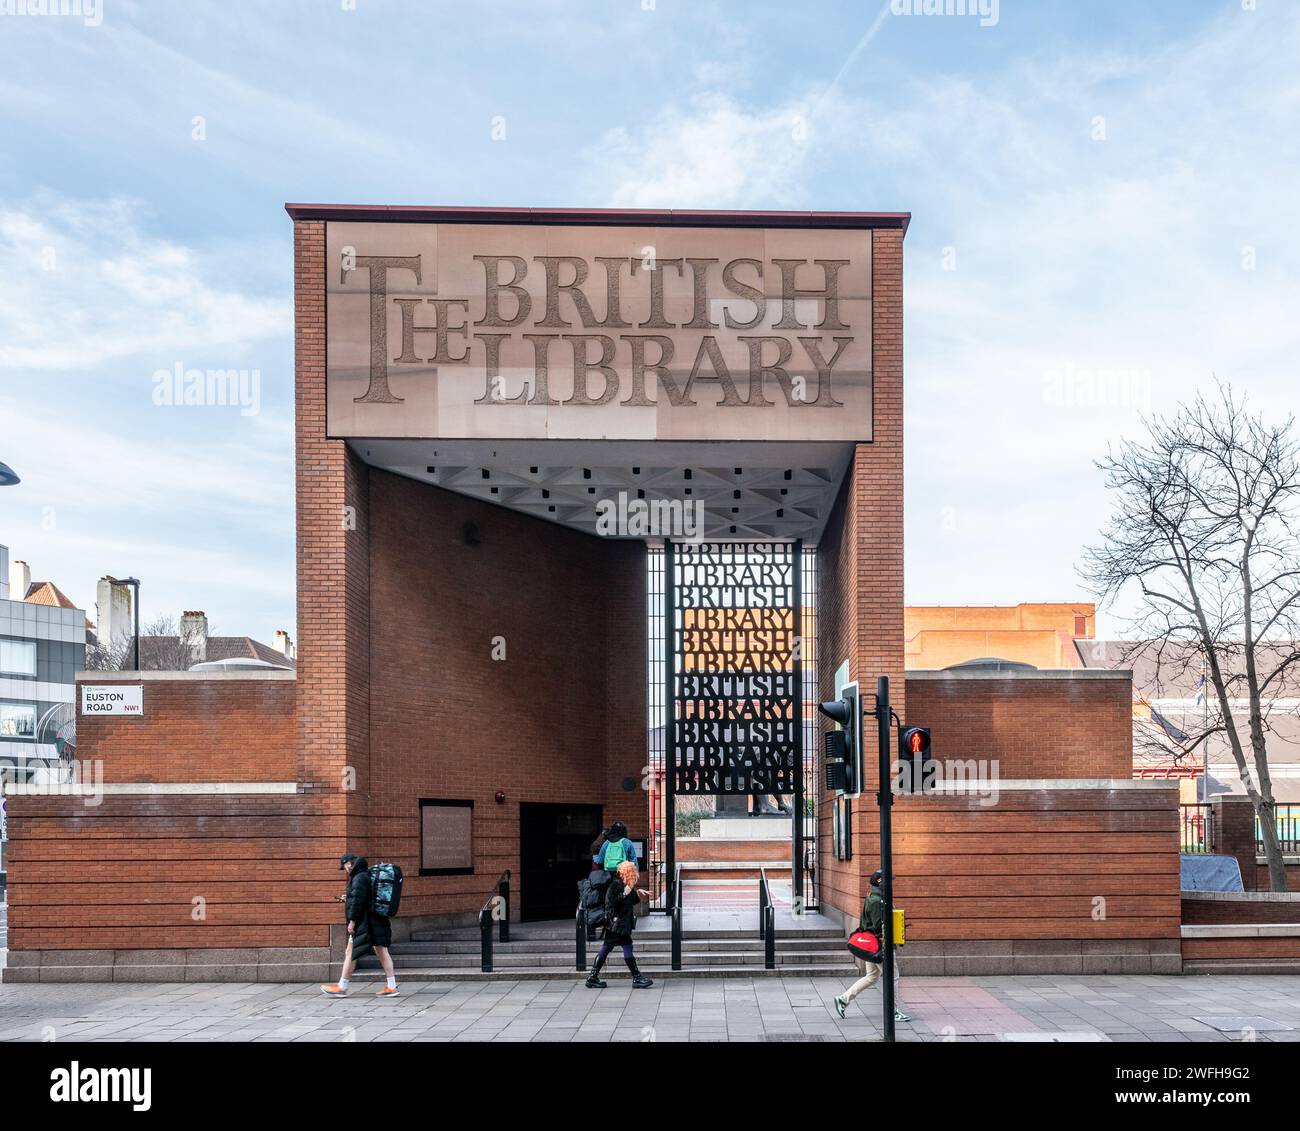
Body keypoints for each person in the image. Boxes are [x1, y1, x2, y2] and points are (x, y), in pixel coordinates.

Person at [834, 869, 911, 1022]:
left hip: (872, 945)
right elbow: (878, 926)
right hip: (880, 946)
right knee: (892, 977)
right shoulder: (877, 901)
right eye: (889, 881)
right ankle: (893, 1011)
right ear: (881, 883)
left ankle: (843, 998)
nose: (891, 884)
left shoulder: (873, 897)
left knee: (872, 976)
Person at [321, 853, 399, 998]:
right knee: (380, 952)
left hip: (366, 922)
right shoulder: (365, 874)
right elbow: (361, 897)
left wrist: (352, 921)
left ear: (349, 864)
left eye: (344, 866)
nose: (345, 869)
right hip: (376, 920)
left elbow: (358, 901)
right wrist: (349, 898)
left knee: (351, 952)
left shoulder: (358, 877)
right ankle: (391, 985)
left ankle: (342, 987)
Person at [585, 860, 653, 989]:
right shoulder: (615, 885)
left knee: (609, 948)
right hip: (616, 925)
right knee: (620, 947)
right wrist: (625, 893)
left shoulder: (627, 885)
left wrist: (637, 893)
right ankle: (636, 977)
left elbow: (631, 902)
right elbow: (611, 904)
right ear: (626, 873)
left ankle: (593, 977)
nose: (635, 875)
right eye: (633, 873)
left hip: (621, 925)